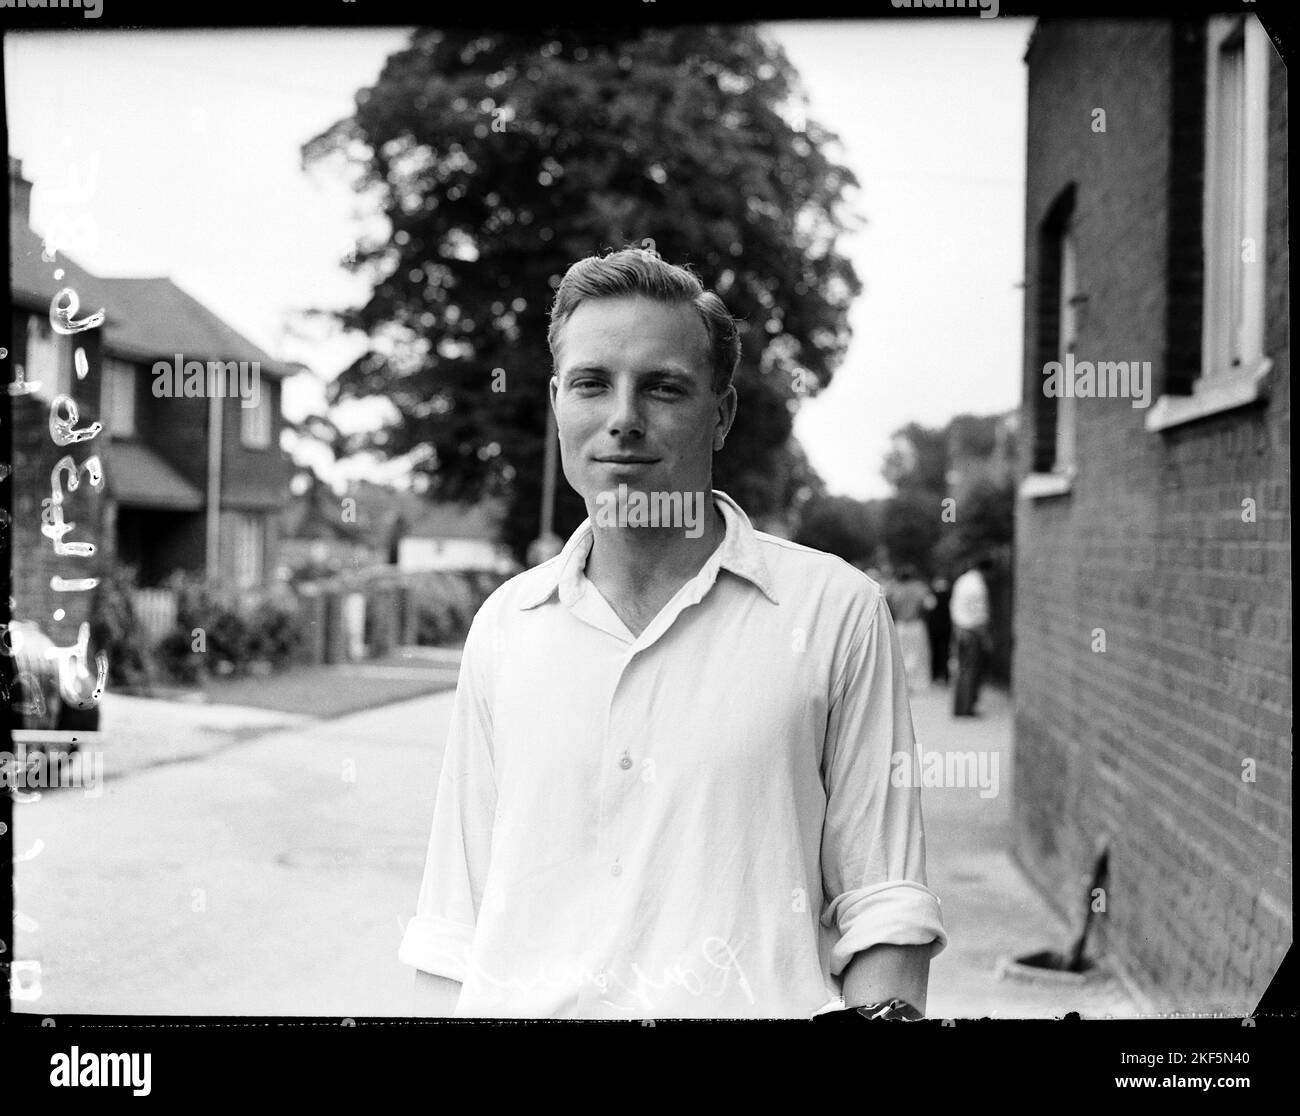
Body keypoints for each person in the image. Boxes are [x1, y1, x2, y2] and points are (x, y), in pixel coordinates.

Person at [398, 248, 946, 1019]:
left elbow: (885, 906)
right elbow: (453, 926)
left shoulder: (836, 613)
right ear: (558, 402)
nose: (624, 418)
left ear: (719, 415)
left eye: (662, 387)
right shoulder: (504, 628)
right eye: (592, 384)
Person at [950, 556, 994, 717]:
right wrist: (986, 637)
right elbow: (979, 615)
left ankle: (960, 707)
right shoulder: (978, 586)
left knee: (962, 670)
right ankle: (967, 707)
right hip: (972, 631)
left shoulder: (962, 581)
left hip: (960, 629)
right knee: (971, 670)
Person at [885, 565, 935, 693]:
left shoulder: (894, 587)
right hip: (916, 624)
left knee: (900, 654)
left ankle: (902, 684)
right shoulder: (919, 587)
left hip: (900, 625)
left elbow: (886, 603)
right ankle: (915, 683)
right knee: (917, 655)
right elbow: (930, 605)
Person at [926, 577, 952, 685]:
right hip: (945, 628)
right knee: (944, 652)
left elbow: (928, 609)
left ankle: (936, 675)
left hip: (935, 629)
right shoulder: (949, 597)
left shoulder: (932, 597)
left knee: (937, 652)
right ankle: (943, 676)